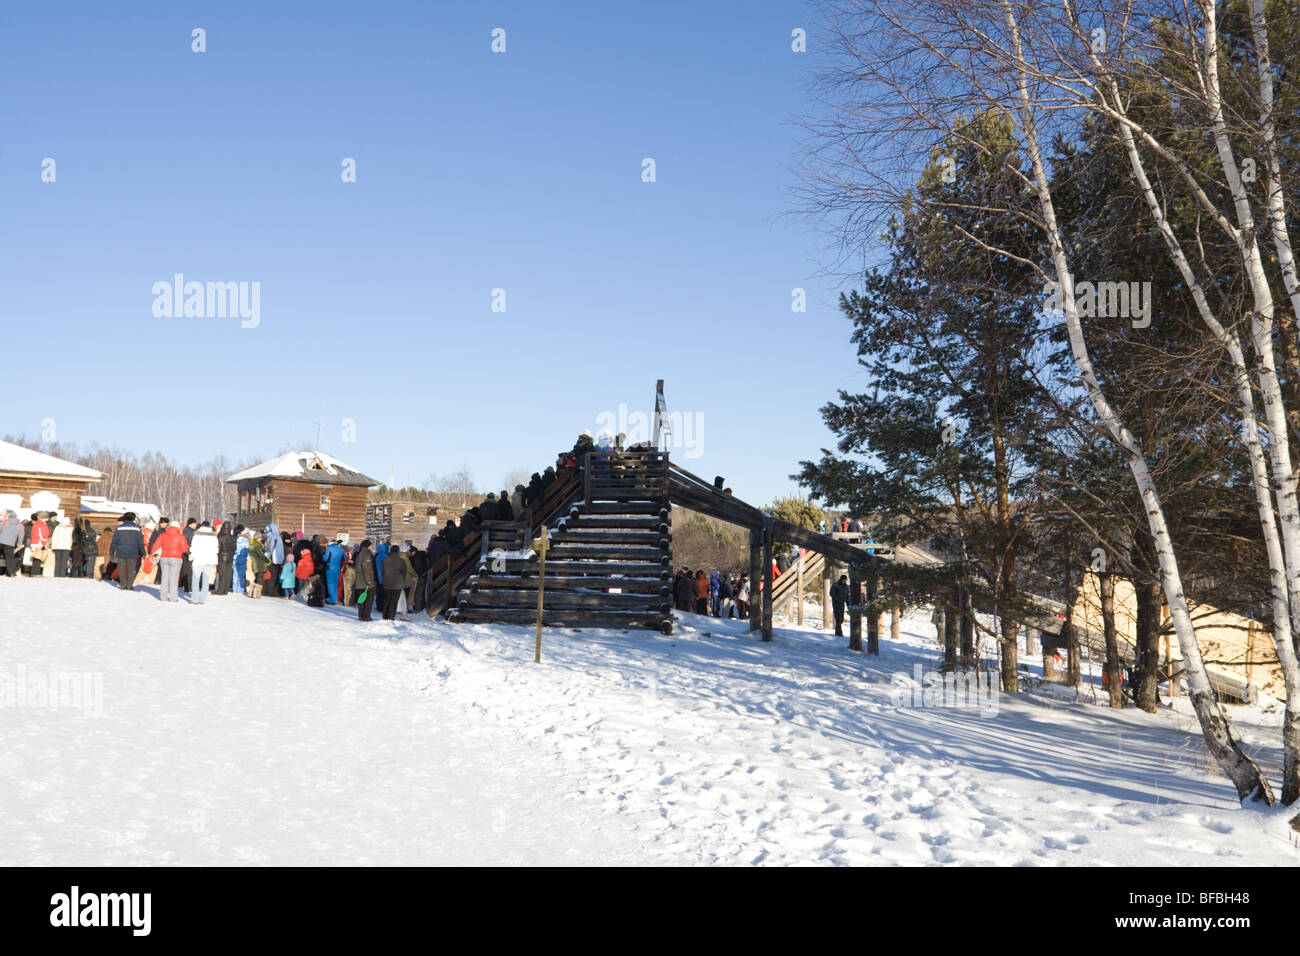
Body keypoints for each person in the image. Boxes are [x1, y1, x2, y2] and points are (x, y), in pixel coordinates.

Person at [151, 518, 189, 602]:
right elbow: (184, 549)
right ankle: (173, 597)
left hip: (164, 558)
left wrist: (153, 557)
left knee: (164, 577)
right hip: (175, 559)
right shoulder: (180, 536)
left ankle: (163, 597)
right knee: (174, 578)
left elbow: (155, 546)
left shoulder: (162, 535)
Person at [109, 513, 146, 591]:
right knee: (131, 570)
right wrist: (143, 553)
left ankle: (123, 585)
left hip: (121, 552)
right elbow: (140, 542)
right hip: (133, 552)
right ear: (133, 519)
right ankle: (129, 585)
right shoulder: (137, 529)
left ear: (125, 518)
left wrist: (111, 552)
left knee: (122, 569)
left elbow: (114, 541)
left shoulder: (119, 528)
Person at [188, 521, 219, 604]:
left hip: (198, 559)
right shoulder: (214, 536)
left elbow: (193, 547)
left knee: (196, 579)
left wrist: (192, 556)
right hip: (209, 560)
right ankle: (202, 599)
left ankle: (194, 599)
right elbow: (216, 549)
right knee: (206, 579)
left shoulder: (197, 535)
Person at [353, 539, 377, 621]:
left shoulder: (360, 554)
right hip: (365, 582)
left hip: (360, 581)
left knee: (361, 600)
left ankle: (361, 616)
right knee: (368, 600)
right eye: (370, 545)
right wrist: (369, 581)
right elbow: (367, 569)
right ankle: (366, 616)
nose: (371, 547)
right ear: (367, 546)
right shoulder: (366, 554)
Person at [381, 544, 406, 620]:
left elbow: (383, 571)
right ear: (398, 551)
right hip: (397, 584)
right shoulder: (401, 561)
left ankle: (385, 615)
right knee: (394, 601)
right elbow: (404, 572)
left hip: (387, 583)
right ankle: (391, 616)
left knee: (386, 600)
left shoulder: (385, 560)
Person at [263, 522, 285, 597]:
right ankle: (275, 591)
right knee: (275, 575)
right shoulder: (279, 537)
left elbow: (269, 549)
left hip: (272, 558)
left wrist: (265, 557)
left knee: (270, 575)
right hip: (278, 560)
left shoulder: (271, 537)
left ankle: (270, 591)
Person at [323, 536, 346, 605]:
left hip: (330, 567)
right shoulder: (341, 549)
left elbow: (325, 559)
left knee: (330, 583)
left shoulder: (329, 549)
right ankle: (334, 599)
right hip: (337, 567)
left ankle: (332, 600)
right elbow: (344, 558)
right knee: (335, 583)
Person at [214, 522, 236, 595]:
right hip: (230, 557)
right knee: (228, 573)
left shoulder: (220, 537)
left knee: (222, 574)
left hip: (222, 556)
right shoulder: (233, 537)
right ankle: (225, 590)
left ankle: (220, 590)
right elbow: (235, 548)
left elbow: (218, 548)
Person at [0, 509, 22, 578]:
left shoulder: (4, 522)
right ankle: (11, 573)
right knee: (10, 558)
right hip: (10, 543)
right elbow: (21, 535)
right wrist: (19, 543)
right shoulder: (20, 525)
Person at [49, 514, 72, 578]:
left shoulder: (58, 527)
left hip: (57, 547)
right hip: (66, 547)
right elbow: (71, 539)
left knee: (57, 561)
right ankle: (62, 575)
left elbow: (54, 537)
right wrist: (71, 545)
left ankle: (56, 574)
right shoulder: (70, 528)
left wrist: (53, 546)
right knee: (64, 562)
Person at [180, 518, 198, 593]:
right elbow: (184, 544)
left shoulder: (192, 531)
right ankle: (188, 587)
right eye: (194, 523)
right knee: (188, 571)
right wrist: (188, 553)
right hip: (188, 554)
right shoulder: (187, 532)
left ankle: (188, 586)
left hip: (190, 553)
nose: (195, 525)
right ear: (190, 524)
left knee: (189, 570)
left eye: (195, 523)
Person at [247, 532, 267, 598]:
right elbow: (261, 555)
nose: (261, 539)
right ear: (258, 538)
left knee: (257, 578)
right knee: (260, 579)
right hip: (260, 564)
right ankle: (256, 594)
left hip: (255, 564)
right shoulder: (257, 546)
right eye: (260, 537)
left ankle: (251, 592)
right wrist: (267, 559)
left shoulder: (251, 545)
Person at [233, 526, 249, 594]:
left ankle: (234, 589)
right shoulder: (246, 539)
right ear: (241, 531)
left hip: (235, 558)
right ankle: (240, 589)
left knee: (235, 574)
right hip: (243, 559)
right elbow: (248, 550)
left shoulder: (235, 539)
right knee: (241, 575)